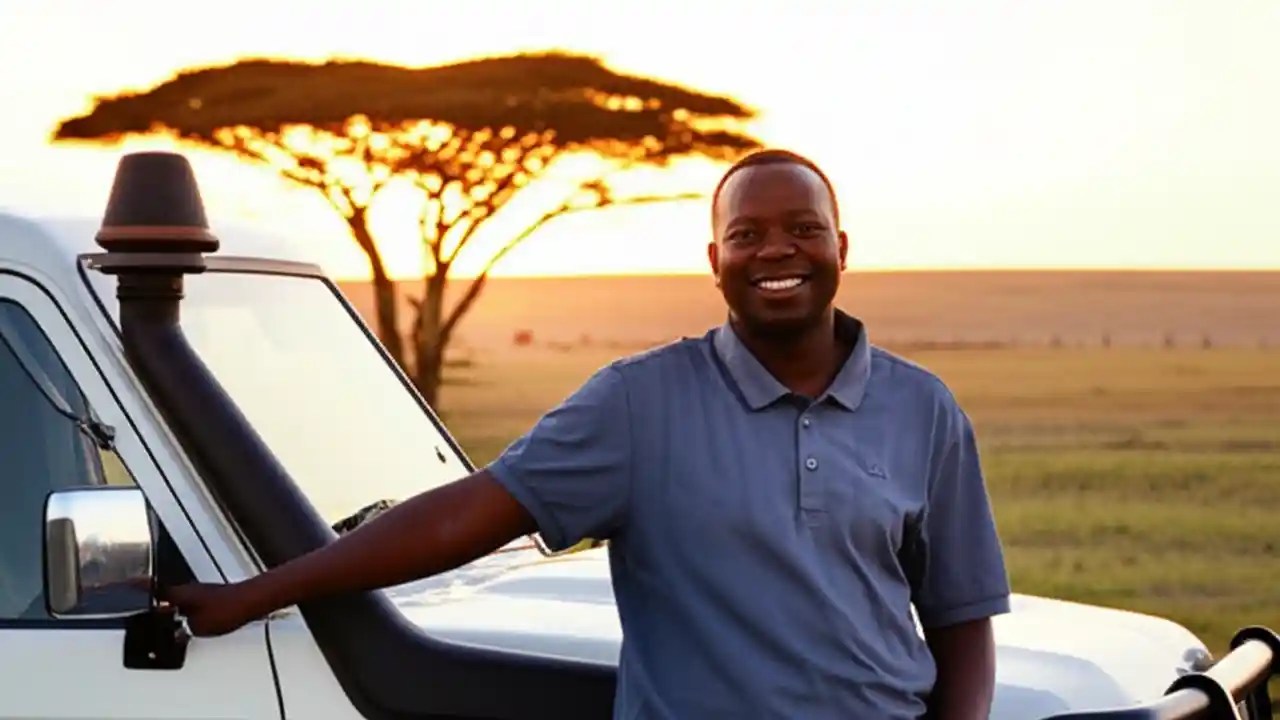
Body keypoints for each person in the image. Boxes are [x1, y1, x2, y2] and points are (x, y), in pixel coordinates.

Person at [165, 149, 1011, 719]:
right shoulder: (640, 405)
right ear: (714, 259)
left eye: (802, 229)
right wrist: (260, 592)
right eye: (746, 234)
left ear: (841, 248)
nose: (775, 251)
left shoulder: (923, 409)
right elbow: (470, 514)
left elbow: (960, 616)